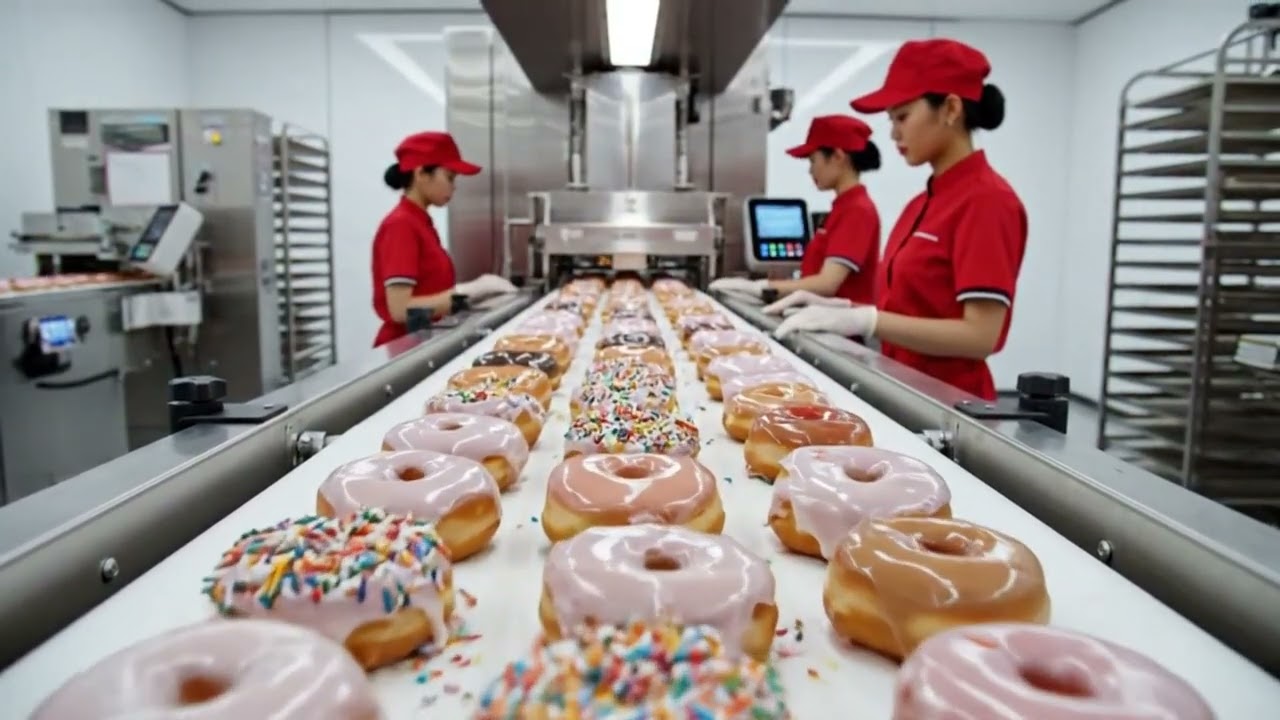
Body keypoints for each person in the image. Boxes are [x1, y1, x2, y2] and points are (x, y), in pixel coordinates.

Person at [767, 39, 1026, 402]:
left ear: (951, 108)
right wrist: (840, 309)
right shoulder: (922, 203)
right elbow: (904, 308)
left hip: (951, 405)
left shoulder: (988, 201)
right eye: (891, 120)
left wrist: (866, 321)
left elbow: (980, 335)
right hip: (904, 388)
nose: (893, 133)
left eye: (902, 117)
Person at [708, 115, 882, 306]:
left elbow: (827, 284)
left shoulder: (857, 210)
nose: (810, 170)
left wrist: (764, 288)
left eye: (813, 160)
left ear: (838, 157)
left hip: (839, 330)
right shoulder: (843, 207)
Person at [371, 131, 516, 347]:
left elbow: (428, 290)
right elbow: (400, 309)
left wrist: (468, 296)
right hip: (405, 348)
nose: (454, 186)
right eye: (449, 177)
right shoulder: (400, 225)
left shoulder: (420, 222)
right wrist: (467, 292)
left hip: (424, 340)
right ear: (421, 174)